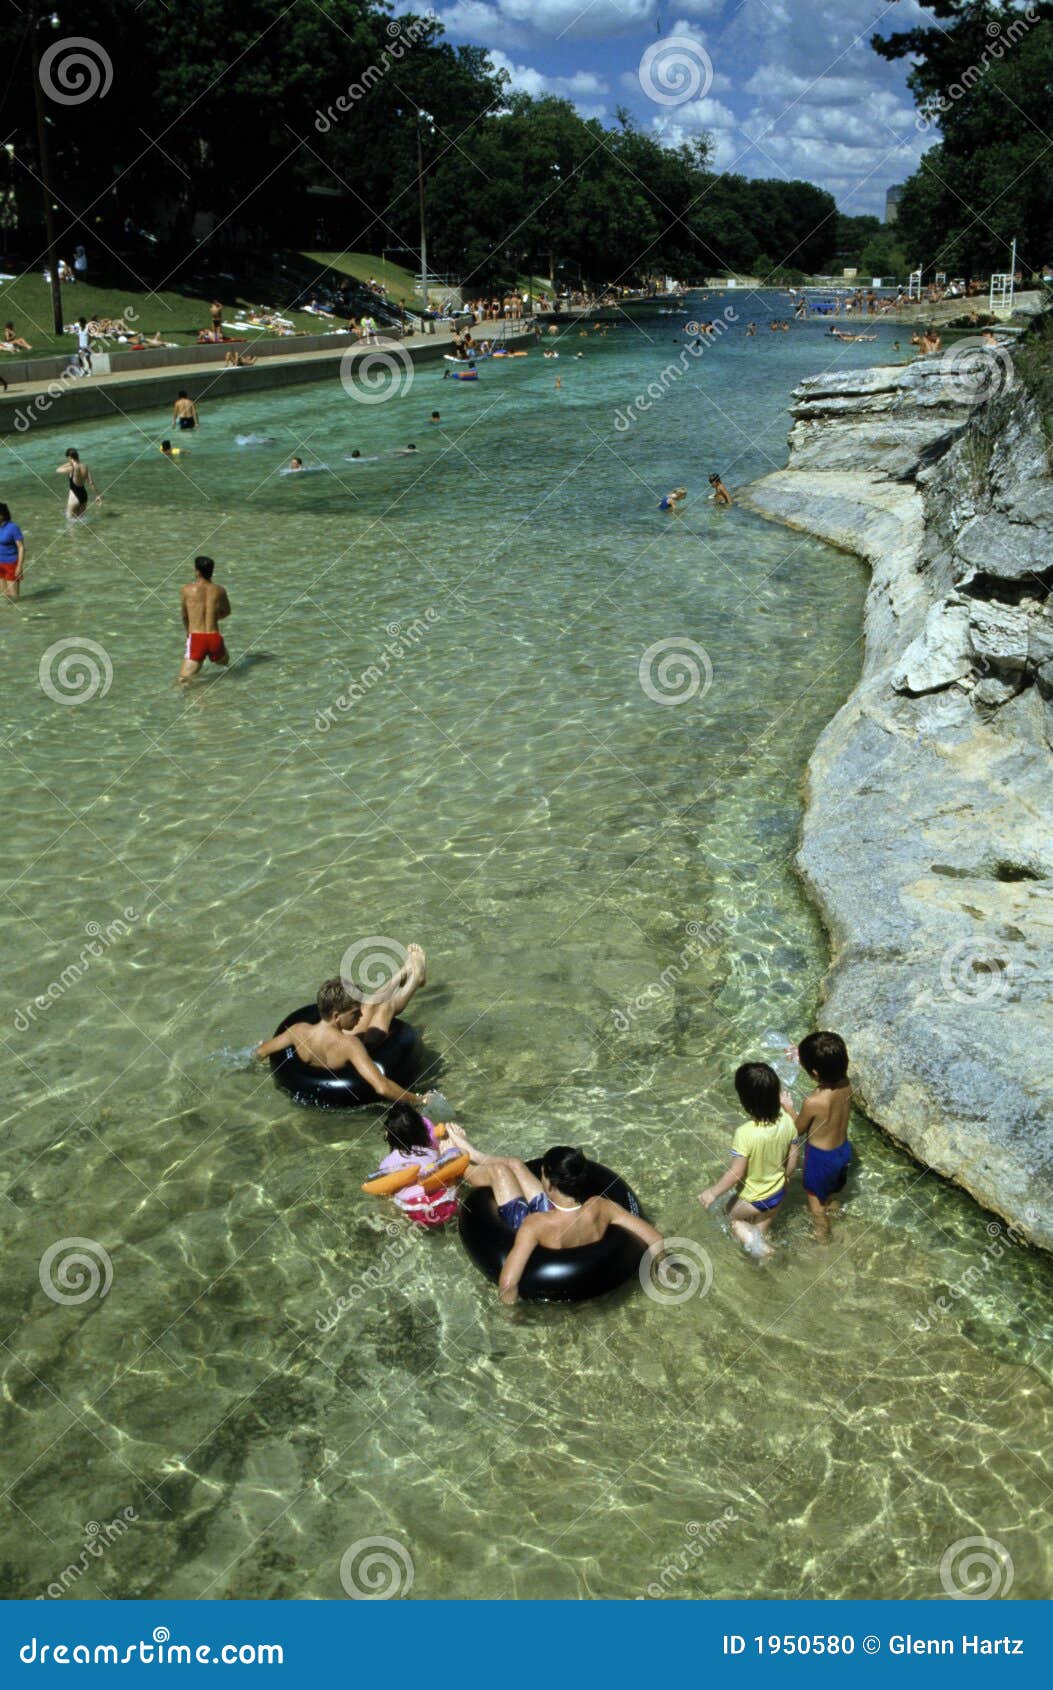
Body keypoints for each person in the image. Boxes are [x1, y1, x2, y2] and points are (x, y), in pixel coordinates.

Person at [445, 1128, 663, 1306]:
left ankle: (455, 1163)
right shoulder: (602, 1206)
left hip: (543, 1223)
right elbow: (656, 1239)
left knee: (500, 1173)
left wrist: (511, 1318)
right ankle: (474, 1154)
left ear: (548, 1184)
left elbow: (509, 1283)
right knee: (515, 1164)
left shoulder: (533, 1225)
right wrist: (660, 1272)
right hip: (559, 1212)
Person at [254, 970, 432, 1106]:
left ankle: (402, 974)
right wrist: (420, 1100)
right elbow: (382, 1087)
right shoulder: (350, 1045)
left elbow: (261, 1052)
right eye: (355, 1013)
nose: (360, 1016)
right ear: (336, 1016)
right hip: (365, 1051)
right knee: (385, 1008)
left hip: (327, 1049)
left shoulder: (298, 1031)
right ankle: (414, 977)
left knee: (370, 1005)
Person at [698, 1062, 799, 1259]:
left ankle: (763, 1252)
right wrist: (785, 1179)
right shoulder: (788, 1121)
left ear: (744, 1101)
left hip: (755, 1198)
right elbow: (793, 1158)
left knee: (731, 1218)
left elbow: (736, 1173)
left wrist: (713, 1192)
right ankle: (761, 1255)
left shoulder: (745, 1133)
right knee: (759, 1233)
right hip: (778, 1194)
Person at [782, 1031, 852, 1242]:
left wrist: (788, 1108)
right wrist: (801, 1056)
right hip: (842, 1151)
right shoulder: (846, 1083)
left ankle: (822, 1239)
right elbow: (827, 1069)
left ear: (814, 1072)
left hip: (821, 1159)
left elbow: (797, 1129)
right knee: (831, 1194)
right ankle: (837, 1218)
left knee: (815, 1202)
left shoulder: (814, 1102)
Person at [179, 555, 230, 681]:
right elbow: (227, 612)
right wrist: (211, 617)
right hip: (214, 638)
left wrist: (188, 633)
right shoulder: (220, 590)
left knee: (182, 681)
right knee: (226, 666)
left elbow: (185, 616)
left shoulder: (187, 590)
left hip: (197, 638)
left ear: (197, 571)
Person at [56, 448, 100, 519]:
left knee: (69, 521)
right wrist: (97, 495)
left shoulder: (72, 468)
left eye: (68, 458)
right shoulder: (85, 466)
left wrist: (69, 463)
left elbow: (58, 470)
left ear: (70, 457)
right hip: (84, 496)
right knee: (81, 520)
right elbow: (91, 483)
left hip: (74, 497)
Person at [0, 502, 25, 601]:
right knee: (4, 594)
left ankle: (17, 615)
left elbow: (21, 547)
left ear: (2, 515)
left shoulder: (13, 528)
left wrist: (19, 566)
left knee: (14, 597)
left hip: (11, 564)